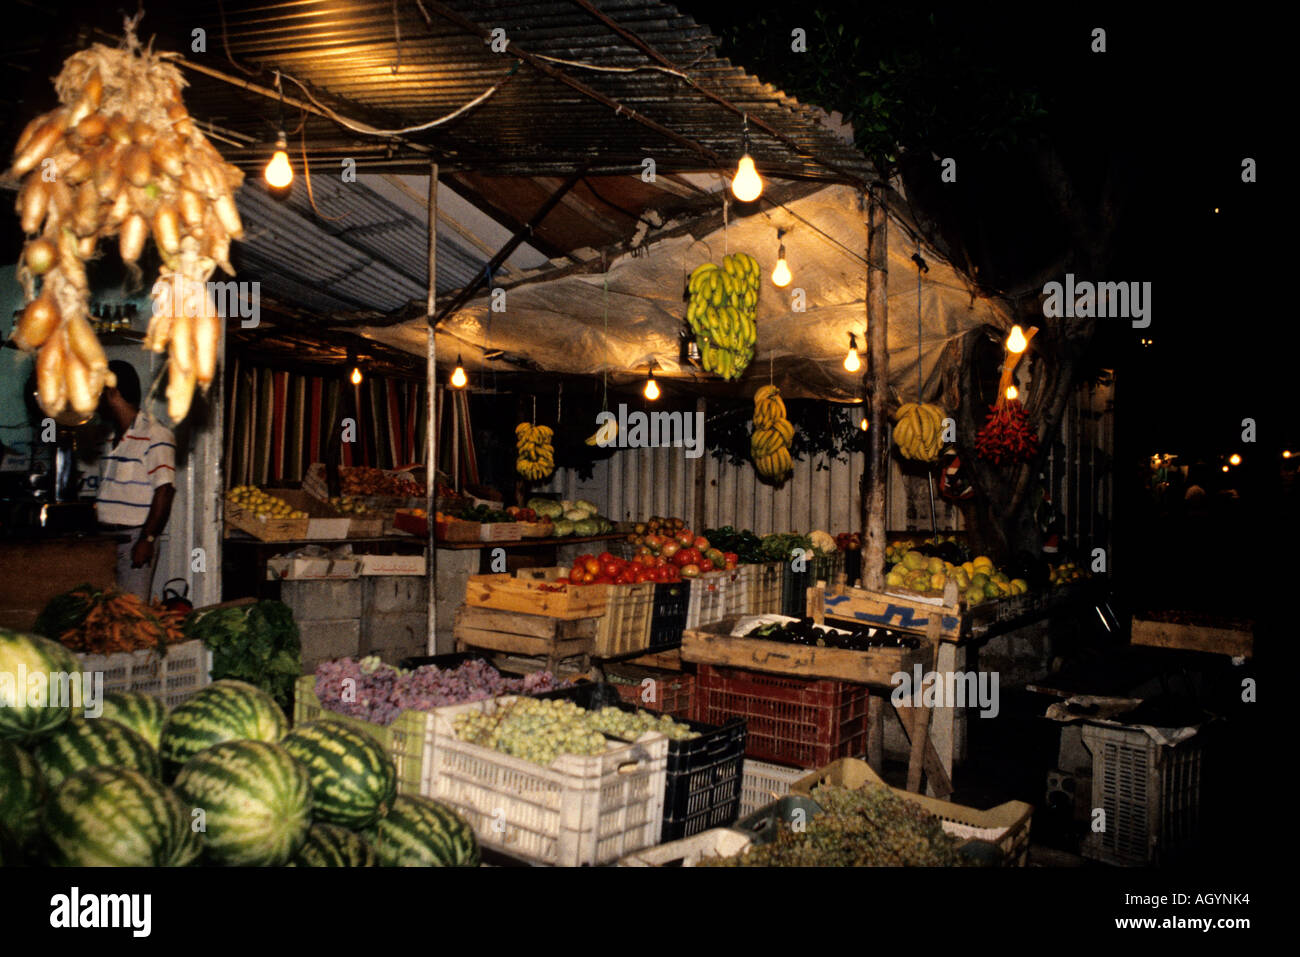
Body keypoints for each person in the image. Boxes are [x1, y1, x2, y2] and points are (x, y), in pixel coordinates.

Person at [95, 361, 176, 599]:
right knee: (105, 618)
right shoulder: (110, 437)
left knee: (131, 617)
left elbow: (165, 490)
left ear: (113, 392)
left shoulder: (155, 433)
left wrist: (147, 539)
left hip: (134, 541)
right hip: (106, 543)